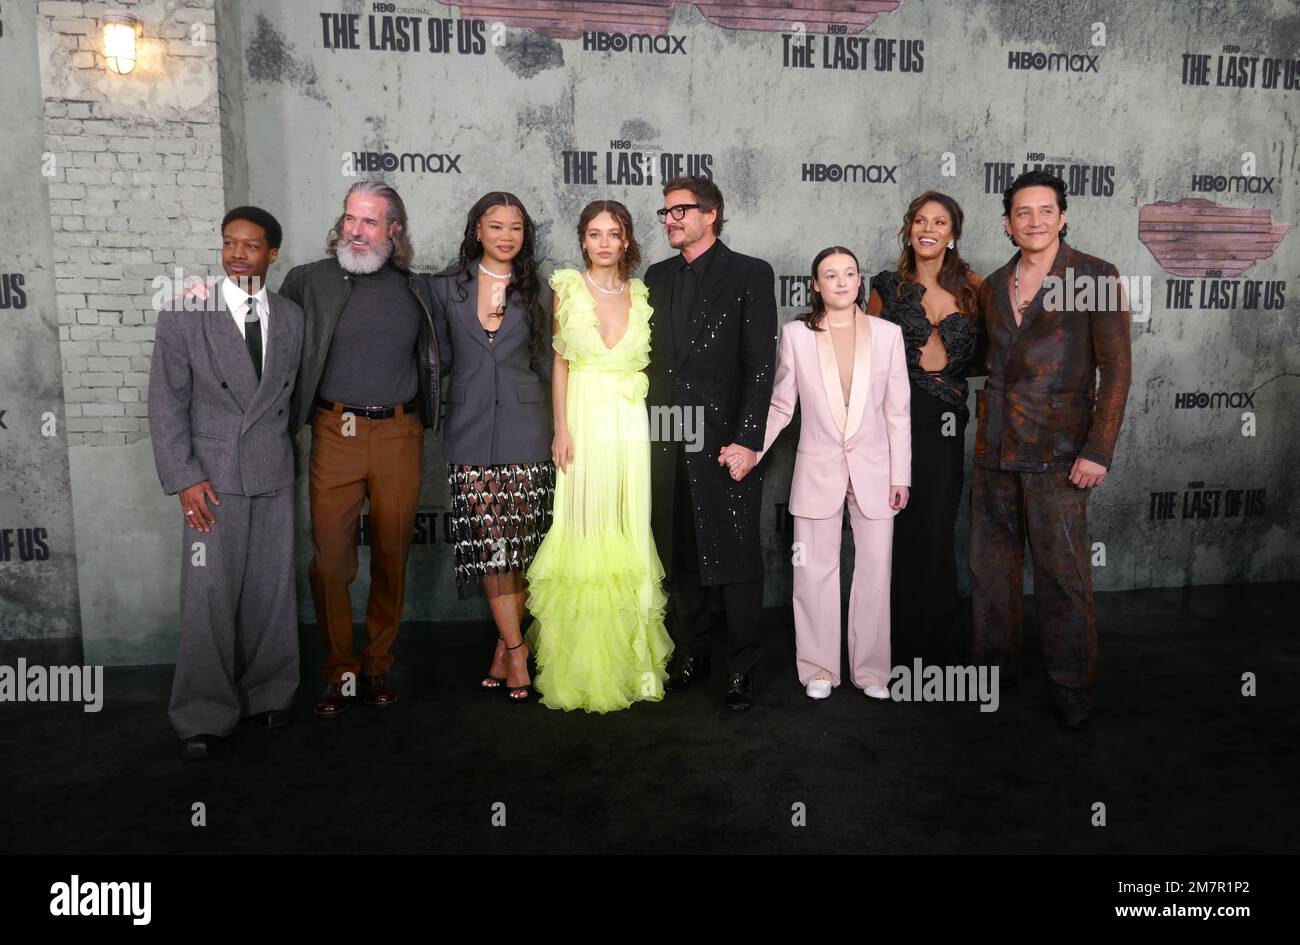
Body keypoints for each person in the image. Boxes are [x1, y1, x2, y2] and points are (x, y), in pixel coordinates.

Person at [970, 169, 1132, 730]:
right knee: (991, 574)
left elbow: (1115, 372)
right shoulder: (991, 286)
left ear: (1062, 217)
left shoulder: (1095, 276)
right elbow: (984, 364)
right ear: (1008, 225)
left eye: (1045, 211)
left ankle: (1071, 686)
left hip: (1061, 455)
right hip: (993, 451)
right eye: (1022, 213)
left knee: (1063, 577)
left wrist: (1098, 450)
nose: (1034, 221)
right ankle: (994, 673)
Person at [280, 180, 442, 717]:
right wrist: (209, 302)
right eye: (350, 218)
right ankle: (340, 671)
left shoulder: (417, 289)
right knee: (330, 562)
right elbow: (265, 332)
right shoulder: (307, 281)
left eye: (370, 222)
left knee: (392, 556)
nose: (355, 230)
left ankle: (376, 666)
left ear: (393, 230)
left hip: (399, 432)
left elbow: (446, 354)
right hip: (336, 431)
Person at [149, 206, 303, 759]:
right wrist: (185, 478)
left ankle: (270, 694)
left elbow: (292, 400)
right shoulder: (184, 314)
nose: (238, 254)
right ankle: (202, 714)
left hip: (273, 472)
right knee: (208, 596)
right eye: (229, 243)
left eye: (251, 245)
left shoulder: (291, 316)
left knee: (273, 591)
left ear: (272, 253)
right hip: (210, 479)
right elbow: (166, 406)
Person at [739, 246, 910, 700]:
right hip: (817, 469)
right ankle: (818, 669)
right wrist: (754, 449)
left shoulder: (888, 335)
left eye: (849, 273)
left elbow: (898, 412)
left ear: (860, 281)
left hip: (877, 471)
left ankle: (872, 671)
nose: (840, 281)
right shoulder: (796, 335)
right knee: (813, 571)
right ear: (815, 285)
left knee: (875, 572)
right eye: (829, 275)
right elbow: (780, 404)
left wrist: (901, 476)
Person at [524, 200, 674, 712]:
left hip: (630, 425)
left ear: (627, 240)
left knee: (630, 528)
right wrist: (561, 428)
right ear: (583, 240)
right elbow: (560, 364)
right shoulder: (567, 287)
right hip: (584, 422)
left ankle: (636, 664)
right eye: (595, 233)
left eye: (614, 233)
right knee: (585, 529)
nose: (605, 242)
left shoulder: (641, 293)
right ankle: (581, 666)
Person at [644, 176, 778, 712]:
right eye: (667, 211)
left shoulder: (750, 273)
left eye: (683, 210)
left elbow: (761, 367)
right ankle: (692, 653)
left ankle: (742, 668)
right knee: (681, 555)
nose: (672, 218)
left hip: (725, 442)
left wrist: (749, 442)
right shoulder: (655, 276)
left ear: (712, 214)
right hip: (667, 439)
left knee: (736, 557)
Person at [429, 192, 554, 704]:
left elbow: (550, 364)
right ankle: (518, 650)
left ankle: (505, 648)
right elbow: (433, 356)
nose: (506, 235)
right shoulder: (443, 289)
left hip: (529, 428)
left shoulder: (542, 291)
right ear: (477, 230)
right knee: (491, 546)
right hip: (468, 427)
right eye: (496, 225)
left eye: (516, 228)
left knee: (520, 547)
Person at [867, 192, 984, 666]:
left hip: (946, 425)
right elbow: (863, 356)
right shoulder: (887, 287)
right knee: (897, 530)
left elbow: (999, 352)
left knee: (937, 529)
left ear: (952, 233)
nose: (928, 228)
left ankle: (933, 644)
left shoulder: (977, 288)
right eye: (920, 220)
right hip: (894, 422)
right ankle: (891, 644)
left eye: (939, 222)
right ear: (909, 229)